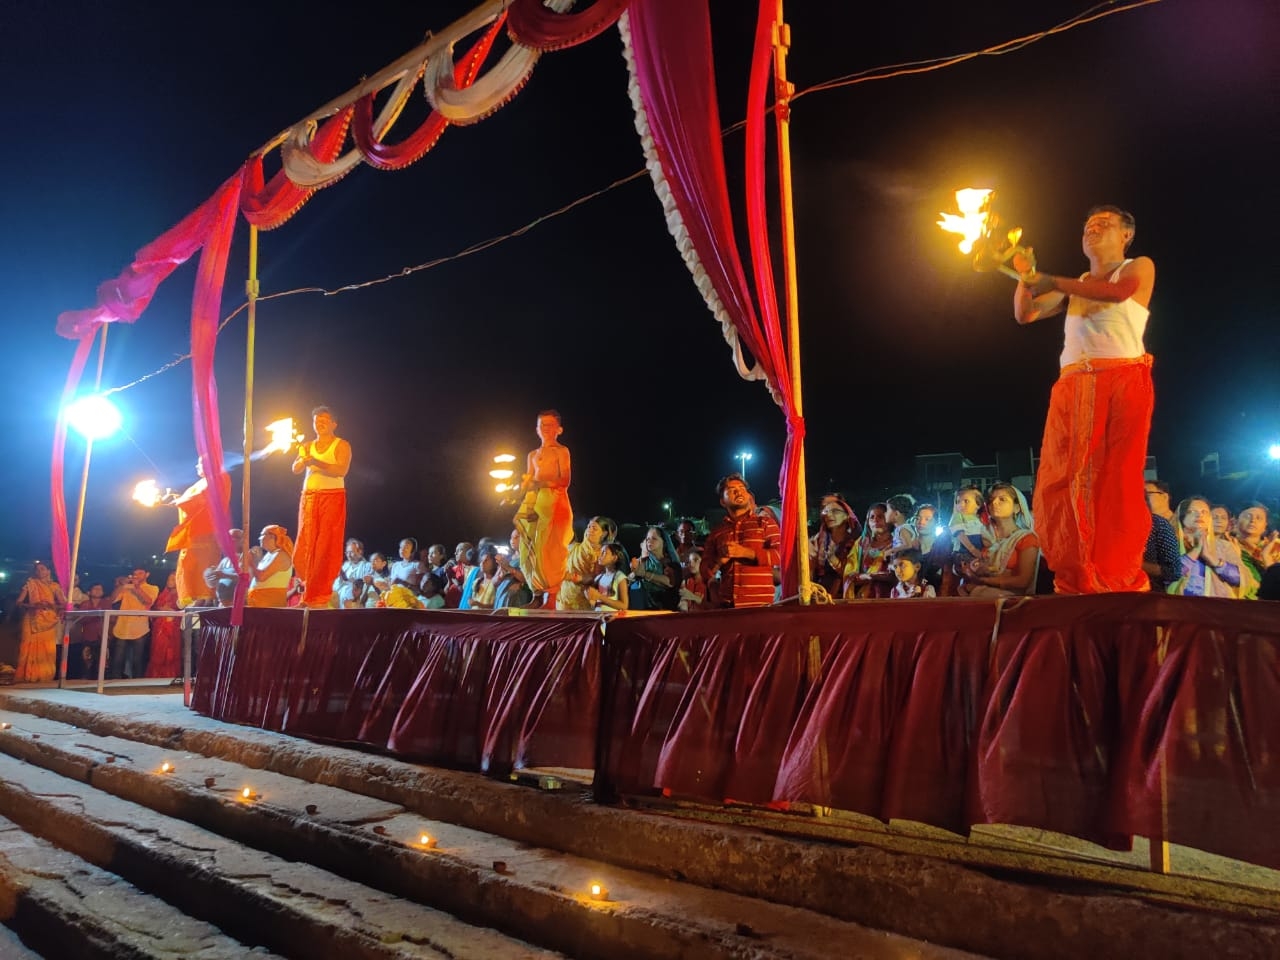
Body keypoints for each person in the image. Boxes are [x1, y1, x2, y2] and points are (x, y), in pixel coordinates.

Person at [1015, 205, 1156, 594]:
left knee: (1116, 479)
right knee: (1063, 479)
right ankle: (1077, 577)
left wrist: (1051, 280)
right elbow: (1025, 314)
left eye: (1104, 224)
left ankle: (1117, 576)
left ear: (1126, 234)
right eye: (1088, 226)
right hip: (1074, 383)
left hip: (1121, 380)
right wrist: (1024, 275)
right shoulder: (1075, 284)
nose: (1093, 229)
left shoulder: (1137, 266)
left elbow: (1116, 294)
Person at [291, 406, 351, 608]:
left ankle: (319, 596)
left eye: (324, 420)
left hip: (331, 497)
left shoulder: (341, 445)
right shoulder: (307, 445)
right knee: (304, 545)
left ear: (334, 423)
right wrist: (303, 459)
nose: (320, 423)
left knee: (326, 545)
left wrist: (317, 462)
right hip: (308, 498)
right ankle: (307, 592)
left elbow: (341, 470)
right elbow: (295, 468)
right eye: (316, 421)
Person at [514, 410, 574, 607]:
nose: (545, 428)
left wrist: (540, 484)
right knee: (528, 547)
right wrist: (517, 489)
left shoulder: (561, 451)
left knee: (549, 549)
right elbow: (528, 480)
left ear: (559, 429)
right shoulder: (532, 455)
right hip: (533, 501)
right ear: (536, 429)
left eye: (550, 425)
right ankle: (537, 594)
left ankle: (552, 597)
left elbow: (564, 480)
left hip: (554, 501)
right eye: (542, 425)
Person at [702, 473, 780, 608]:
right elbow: (704, 571)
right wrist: (719, 561)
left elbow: (780, 555)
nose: (738, 492)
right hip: (727, 606)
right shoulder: (717, 532)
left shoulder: (765, 523)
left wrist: (746, 552)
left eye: (742, 488)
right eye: (732, 489)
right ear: (722, 501)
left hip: (760, 605)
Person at [162, 457, 229, 607]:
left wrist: (179, 502)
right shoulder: (199, 483)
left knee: (204, 570)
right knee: (187, 570)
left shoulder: (219, 479)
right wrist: (176, 498)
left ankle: (205, 601)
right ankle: (190, 602)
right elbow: (191, 501)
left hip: (206, 535)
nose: (197, 466)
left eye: (200, 463)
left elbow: (202, 498)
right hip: (191, 537)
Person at [958, 483, 1040, 598]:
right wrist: (972, 570)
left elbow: (1023, 581)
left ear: (1017, 507)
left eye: (1002, 499)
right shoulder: (983, 536)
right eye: (991, 500)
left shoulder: (1026, 538)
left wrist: (983, 581)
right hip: (981, 597)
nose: (994, 503)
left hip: (1011, 601)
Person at [1168, 497, 1243, 598]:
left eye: (1204, 512)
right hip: (1177, 603)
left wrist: (1210, 557)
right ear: (1181, 516)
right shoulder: (1170, 542)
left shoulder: (1224, 546)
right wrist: (1196, 551)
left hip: (1217, 605)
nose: (1199, 515)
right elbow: (1168, 574)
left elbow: (1240, 579)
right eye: (1191, 511)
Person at [14, 561, 67, 683]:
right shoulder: (30, 583)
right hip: (31, 618)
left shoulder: (55, 586)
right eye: (37, 569)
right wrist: (32, 605)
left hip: (47, 621)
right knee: (27, 647)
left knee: (46, 649)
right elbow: (19, 602)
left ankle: (44, 676)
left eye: (42, 569)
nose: (39, 571)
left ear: (48, 571)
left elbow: (63, 604)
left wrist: (51, 605)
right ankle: (26, 676)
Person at [557, 517, 616, 611]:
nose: (590, 530)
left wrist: (577, 578)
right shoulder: (573, 548)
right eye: (589, 527)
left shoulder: (605, 555)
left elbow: (602, 578)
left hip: (587, 606)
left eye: (594, 528)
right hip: (565, 602)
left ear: (604, 533)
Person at [808, 494, 860, 599]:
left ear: (847, 516)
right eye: (826, 511)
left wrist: (833, 559)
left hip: (845, 595)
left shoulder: (856, 542)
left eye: (835, 511)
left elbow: (852, 574)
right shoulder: (817, 540)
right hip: (818, 593)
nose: (829, 515)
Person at [110, 567, 159, 680]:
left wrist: (136, 587)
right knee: (118, 659)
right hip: (122, 626)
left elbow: (148, 601)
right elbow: (112, 600)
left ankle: (137, 684)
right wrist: (121, 585)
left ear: (147, 574)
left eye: (140, 573)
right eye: (135, 573)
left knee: (137, 660)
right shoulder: (127, 587)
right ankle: (114, 683)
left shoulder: (153, 588)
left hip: (139, 628)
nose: (136, 575)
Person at [842, 502, 895, 599]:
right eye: (872, 517)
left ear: (890, 519)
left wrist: (873, 576)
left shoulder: (896, 544)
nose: (875, 520)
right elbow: (849, 573)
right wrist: (864, 577)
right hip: (861, 598)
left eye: (880, 516)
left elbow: (896, 575)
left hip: (887, 598)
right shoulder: (861, 544)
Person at [628, 525, 681, 611]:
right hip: (640, 606)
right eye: (647, 539)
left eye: (654, 538)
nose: (649, 541)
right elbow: (631, 578)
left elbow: (670, 582)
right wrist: (643, 556)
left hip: (663, 606)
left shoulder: (670, 562)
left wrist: (644, 574)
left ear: (664, 542)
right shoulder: (641, 560)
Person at [144, 573, 182, 678]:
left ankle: (170, 675)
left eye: (173, 579)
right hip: (159, 626)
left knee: (171, 650)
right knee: (157, 650)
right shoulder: (163, 593)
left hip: (173, 626)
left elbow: (181, 609)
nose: (170, 581)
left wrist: (171, 611)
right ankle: (156, 676)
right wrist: (162, 609)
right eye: (169, 579)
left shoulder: (181, 594)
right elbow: (155, 607)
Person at [248, 525, 294, 607]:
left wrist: (250, 562)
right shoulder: (269, 554)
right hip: (258, 601)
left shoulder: (281, 555)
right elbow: (256, 577)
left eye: (262, 535)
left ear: (272, 537)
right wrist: (254, 561)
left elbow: (261, 577)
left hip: (269, 602)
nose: (259, 538)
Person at [587, 541, 630, 612]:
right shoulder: (599, 578)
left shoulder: (620, 577)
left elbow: (624, 605)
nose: (600, 555)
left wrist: (599, 596)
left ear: (614, 558)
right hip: (598, 616)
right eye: (601, 552)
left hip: (612, 617)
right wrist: (591, 599)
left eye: (604, 553)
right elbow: (595, 604)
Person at [333, 538, 373, 608]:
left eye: (351, 552)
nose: (348, 555)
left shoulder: (367, 566)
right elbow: (335, 587)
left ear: (360, 552)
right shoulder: (345, 566)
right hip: (341, 604)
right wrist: (340, 579)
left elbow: (366, 586)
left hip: (357, 606)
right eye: (347, 552)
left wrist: (351, 581)